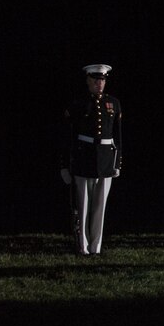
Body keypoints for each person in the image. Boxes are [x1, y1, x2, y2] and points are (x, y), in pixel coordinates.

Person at [61, 64, 122, 255]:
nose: (99, 83)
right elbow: (67, 135)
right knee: (83, 205)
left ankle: (96, 246)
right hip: (84, 157)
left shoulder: (113, 103)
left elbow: (118, 135)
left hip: (105, 158)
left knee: (100, 206)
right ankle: (83, 245)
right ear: (88, 80)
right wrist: (64, 164)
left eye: (102, 80)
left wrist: (117, 162)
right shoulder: (78, 103)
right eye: (95, 80)